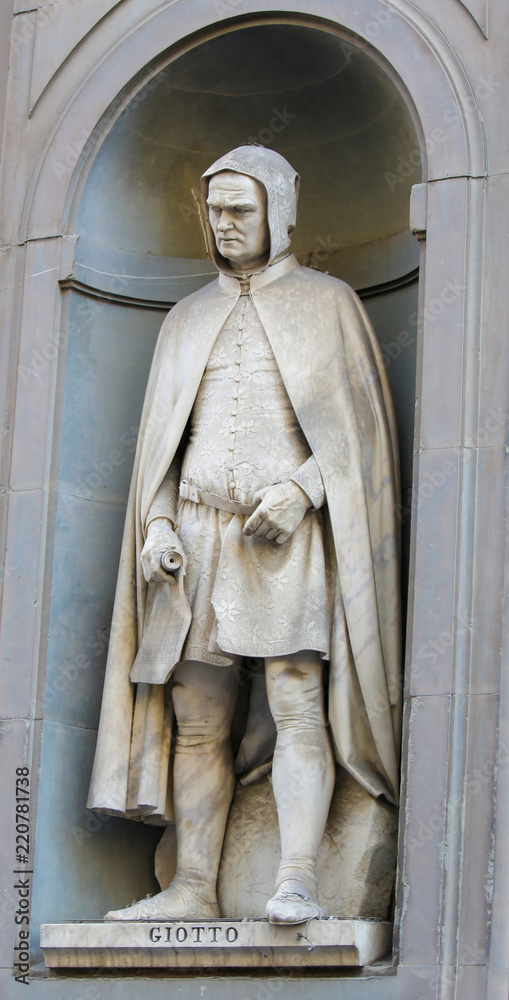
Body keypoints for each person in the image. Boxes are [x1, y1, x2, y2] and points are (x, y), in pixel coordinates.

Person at [87, 145, 401, 926]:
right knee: (198, 718)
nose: (223, 225)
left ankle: (296, 876)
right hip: (194, 535)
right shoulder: (186, 317)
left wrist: (302, 490)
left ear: (278, 212)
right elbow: (160, 444)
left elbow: (361, 441)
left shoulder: (327, 303)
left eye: (240, 210)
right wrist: (158, 523)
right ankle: (193, 883)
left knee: (297, 698)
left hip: (281, 538)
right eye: (214, 210)